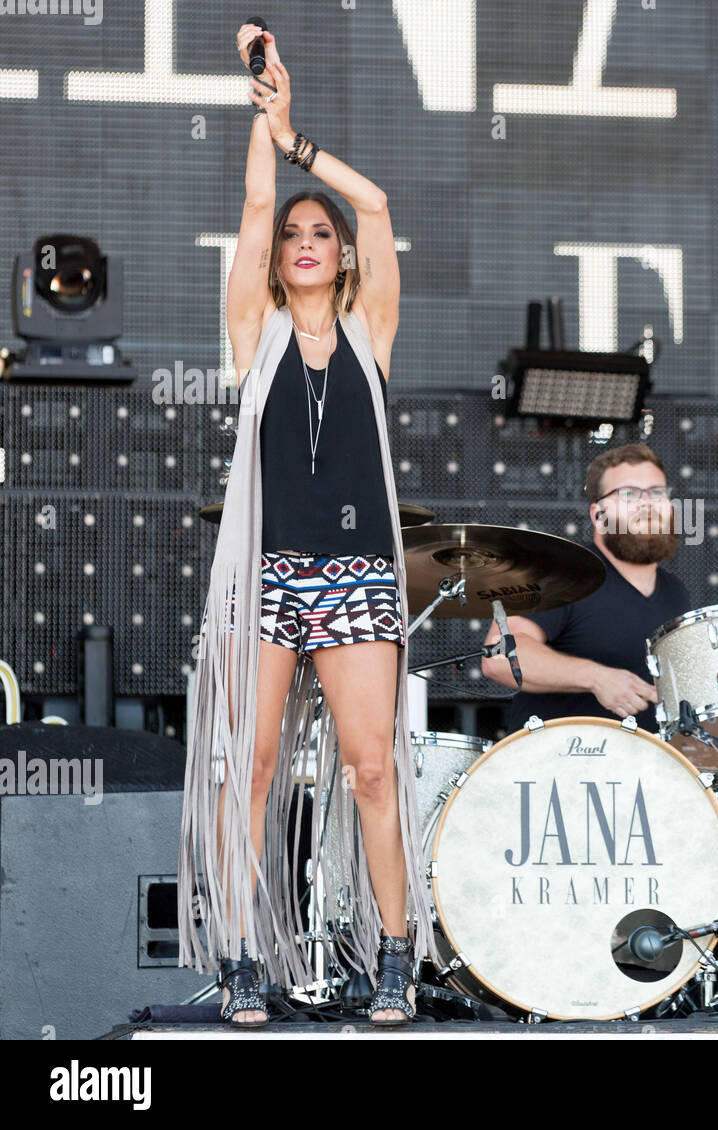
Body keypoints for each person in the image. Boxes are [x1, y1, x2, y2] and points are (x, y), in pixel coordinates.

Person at [176, 24, 433, 1028]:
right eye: (295, 235)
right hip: (267, 571)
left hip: (357, 569)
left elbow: (374, 203)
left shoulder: (371, 334)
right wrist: (259, 125)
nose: (308, 239)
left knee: (373, 765)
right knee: (253, 761)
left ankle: (395, 955)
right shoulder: (256, 333)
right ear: (280, 261)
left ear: (342, 256)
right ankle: (243, 953)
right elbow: (250, 208)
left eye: (319, 233)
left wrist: (301, 144)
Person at [481, 444, 691, 735]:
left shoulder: (676, 592)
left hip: (647, 773)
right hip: (558, 771)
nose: (648, 504)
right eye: (629, 494)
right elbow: (498, 655)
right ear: (598, 515)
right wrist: (595, 677)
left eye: (657, 492)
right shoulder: (563, 572)